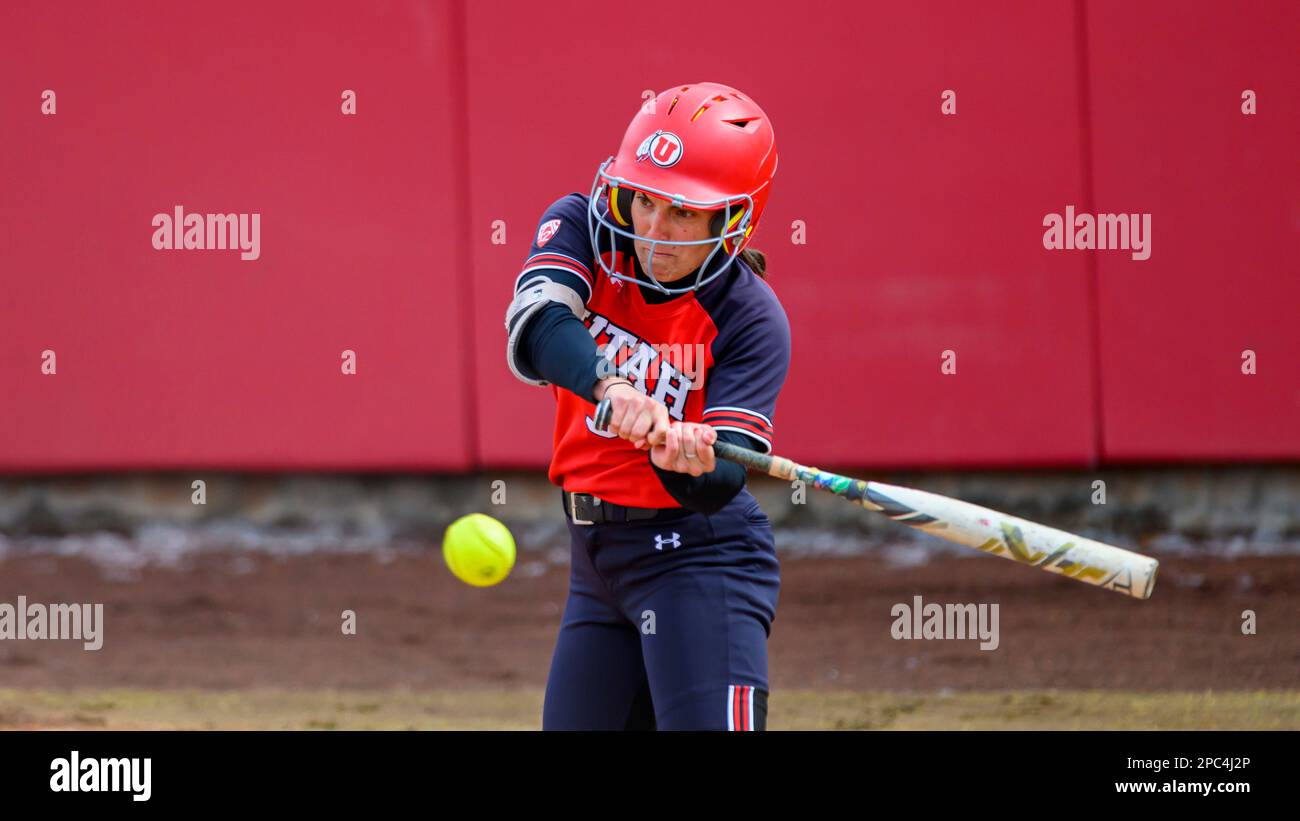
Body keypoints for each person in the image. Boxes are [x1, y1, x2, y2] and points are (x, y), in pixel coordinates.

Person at [504, 82, 791, 730]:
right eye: (643, 200)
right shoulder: (582, 226)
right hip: (594, 559)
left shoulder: (751, 320)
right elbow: (539, 325)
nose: (652, 233)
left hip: (700, 560)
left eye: (682, 213)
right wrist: (613, 386)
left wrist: (683, 458)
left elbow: (721, 481)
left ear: (731, 220)